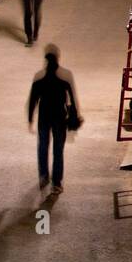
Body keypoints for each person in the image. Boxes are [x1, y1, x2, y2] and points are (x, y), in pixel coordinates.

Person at [28, 44, 80, 196]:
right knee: (58, 151)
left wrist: (30, 119)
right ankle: (56, 183)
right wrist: (74, 118)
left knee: (43, 147)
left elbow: (33, 100)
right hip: (59, 118)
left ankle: (44, 176)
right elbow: (72, 101)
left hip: (44, 118)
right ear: (58, 59)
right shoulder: (65, 78)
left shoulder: (39, 79)